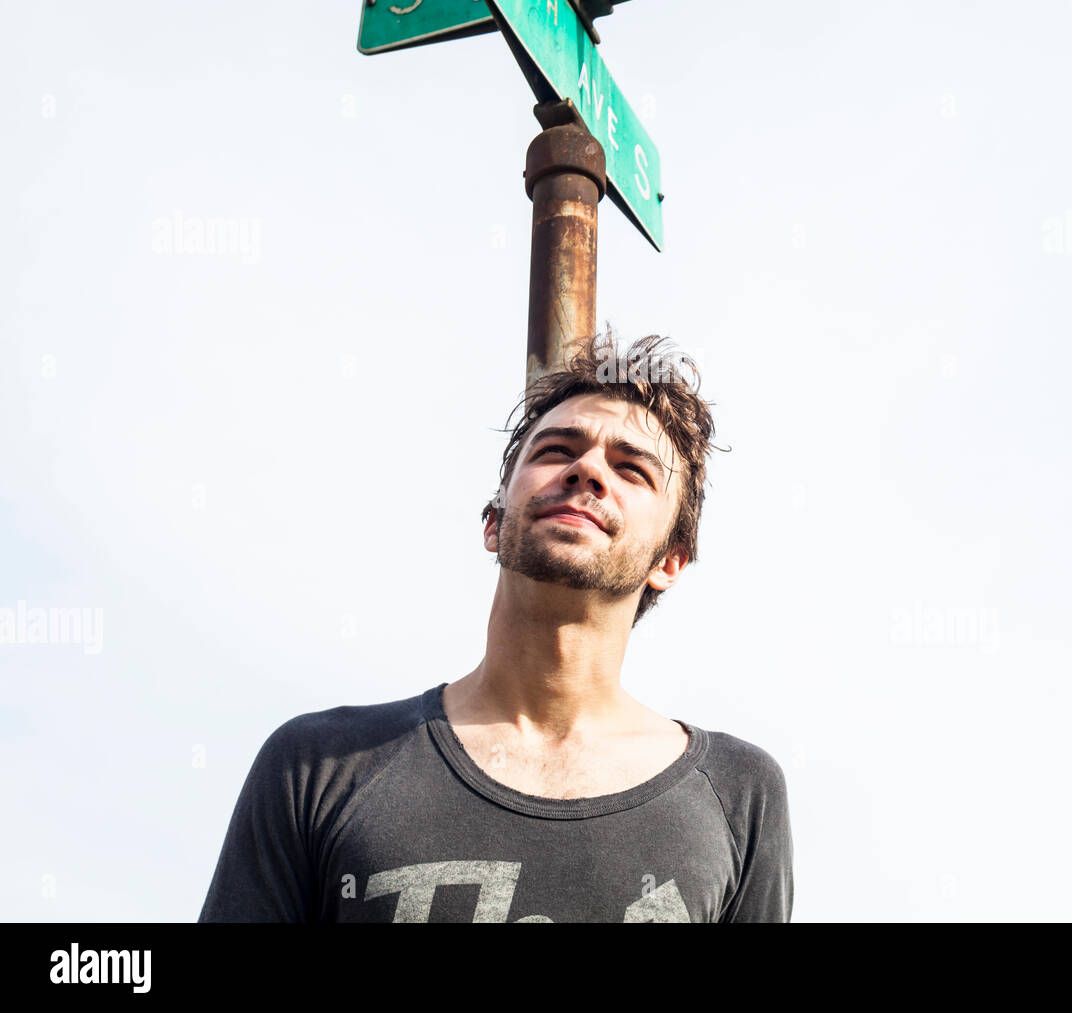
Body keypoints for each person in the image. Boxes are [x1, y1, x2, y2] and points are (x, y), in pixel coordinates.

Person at [198, 327, 793, 923]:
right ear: (493, 521)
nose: (587, 471)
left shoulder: (738, 796)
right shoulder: (320, 765)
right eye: (556, 450)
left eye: (632, 469)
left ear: (670, 561)